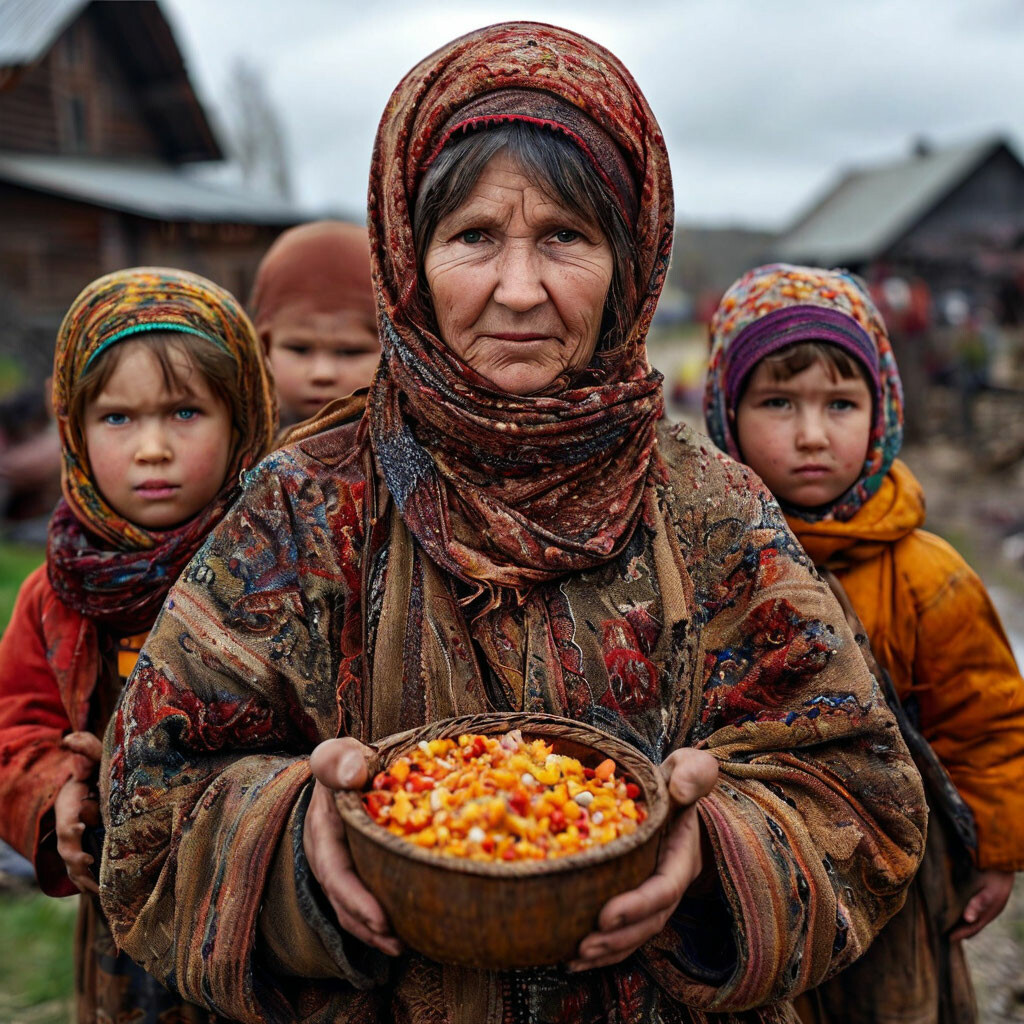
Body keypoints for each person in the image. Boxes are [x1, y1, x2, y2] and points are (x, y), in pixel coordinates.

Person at [99, 24, 926, 1024]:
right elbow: (151, 800)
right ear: (409, 253)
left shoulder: (709, 507)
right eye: (474, 236)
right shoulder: (306, 506)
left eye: (567, 238)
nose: (520, 290)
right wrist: (294, 850)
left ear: (629, 259)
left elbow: (861, 789)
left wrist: (714, 853)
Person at [704, 262, 1024, 1024]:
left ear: (880, 414)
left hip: (900, 882)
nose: (812, 435)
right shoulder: (709, 561)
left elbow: (985, 722)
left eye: (840, 403)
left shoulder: (926, 575)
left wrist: (998, 850)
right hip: (757, 886)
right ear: (726, 412)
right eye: (778, 402)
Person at [0, 268, 276, 1022]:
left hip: (263, 912)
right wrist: (55, 787)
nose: (152, 448)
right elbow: (13, 725)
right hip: (122, 931)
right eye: (118, 419)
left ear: (244, 415)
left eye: (186, 411)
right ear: (73, 429)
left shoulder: (279, 567)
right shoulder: (58, 592)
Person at [250, 220, 379, 426]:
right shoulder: (231, 448)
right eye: (299, 349)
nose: (322, 373)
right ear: (264, 348)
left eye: (351, 351)